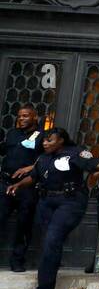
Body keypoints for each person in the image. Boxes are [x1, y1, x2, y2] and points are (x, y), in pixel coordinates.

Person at [6, 127, 99, 289]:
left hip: (70, 201)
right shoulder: (43, 157)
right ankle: (48, 278)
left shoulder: (76, 153)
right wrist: (19, 185)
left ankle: (43, 288)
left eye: (49, 140)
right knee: (49, 242)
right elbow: (33, 176)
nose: (45, 143)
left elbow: (95, 165)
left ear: (61, 140)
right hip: (46, 202)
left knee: (53, 238)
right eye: (44, 140)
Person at [0, 104, 44, 272]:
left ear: (35, 117)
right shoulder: (12, 134)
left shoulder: (42, 135)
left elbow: (48, 156)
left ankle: (17, 261)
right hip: (5, 183)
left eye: (26, 115)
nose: (22, 118)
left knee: (24, 225)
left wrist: (31, 167)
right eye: (19, 116)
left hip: (27, 187)